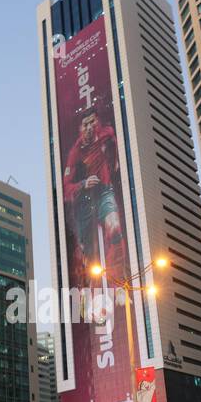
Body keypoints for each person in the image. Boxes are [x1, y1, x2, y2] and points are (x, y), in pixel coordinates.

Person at [63, 104, 126, 288]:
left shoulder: (107, 134)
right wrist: (83, 184)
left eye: (92, 122)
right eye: (85, 124)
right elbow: (66, 188)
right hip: (84, 203)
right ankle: (91, 287)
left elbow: (114, 151)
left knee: (115, 228)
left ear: (97, 122)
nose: (89, 127)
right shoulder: (75, 153)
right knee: (88, 254)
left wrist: (114, 164)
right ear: (80, 128)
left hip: (104, 191)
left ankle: (119, 280)